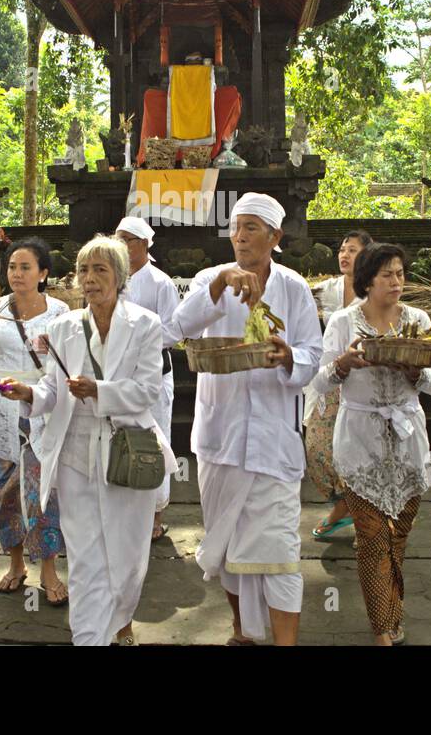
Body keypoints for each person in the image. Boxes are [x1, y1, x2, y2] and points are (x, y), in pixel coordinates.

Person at [1, 235, 176, 646]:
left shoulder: (146, 325)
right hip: (76, 456)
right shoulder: (63, 327)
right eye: (84, 270)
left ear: (120, 275)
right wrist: (30, 395)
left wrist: (99, 389)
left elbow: (147, 390)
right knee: (83, 558)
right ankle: (89, 638)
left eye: (101, 270)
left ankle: (120, 624)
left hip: (127, 456)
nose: (91, 279)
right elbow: (51, 388)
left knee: (128, 557)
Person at [173, 192, 323, 645]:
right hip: (221, 437)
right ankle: (241, 630)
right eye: (236, 227)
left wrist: (287, 355)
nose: (239, 236)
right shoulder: (207, 278)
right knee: (227, 546)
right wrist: (218, 285)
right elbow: (178, 328)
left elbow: (314, 355)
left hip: (274, 442)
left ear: (275, 237)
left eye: (251, 228)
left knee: (280, 551)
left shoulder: (293, 287)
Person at [311, 243, 431, 645]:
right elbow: (317, 382)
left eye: (400, 273)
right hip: (359, 436)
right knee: (370, 536)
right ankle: (381, 626)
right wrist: (343, 364)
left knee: (398, 534)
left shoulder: (418, 320)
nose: (396, 282)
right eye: (387, 275)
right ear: (367, 280)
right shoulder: (344, 322)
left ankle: (392, 611)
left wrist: (416, 372)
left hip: (408, 438)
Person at [0, 237, 69, 605]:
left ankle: (49, 568)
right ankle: (17, 562)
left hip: (41, 405)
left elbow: (69, 361)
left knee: (43, 491)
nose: (17, 274)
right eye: (12, 267)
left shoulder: (60, 313)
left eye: (25, 268)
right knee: (2, 491)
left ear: (43, 273)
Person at [114, 215, 180, 541]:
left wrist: (136, 336)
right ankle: (125, 511)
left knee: (156, 442)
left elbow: (172, 330)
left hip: (153, 373)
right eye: (118, 239)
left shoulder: (160, 283)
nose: (122, 246)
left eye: (128, 239)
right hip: (117, 376)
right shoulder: (110, 279)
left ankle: (156, 515)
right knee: (121, 441)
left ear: (143, 244)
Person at [307, 230, 371, 541]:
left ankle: (357, 513)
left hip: (363, 378)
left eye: (353, 250)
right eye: (342, 249)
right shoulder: (322, 289)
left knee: (358, 449)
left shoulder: (374, 293)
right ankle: (344, 504)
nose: (344, 255)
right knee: (318, 446)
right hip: (327, 376)